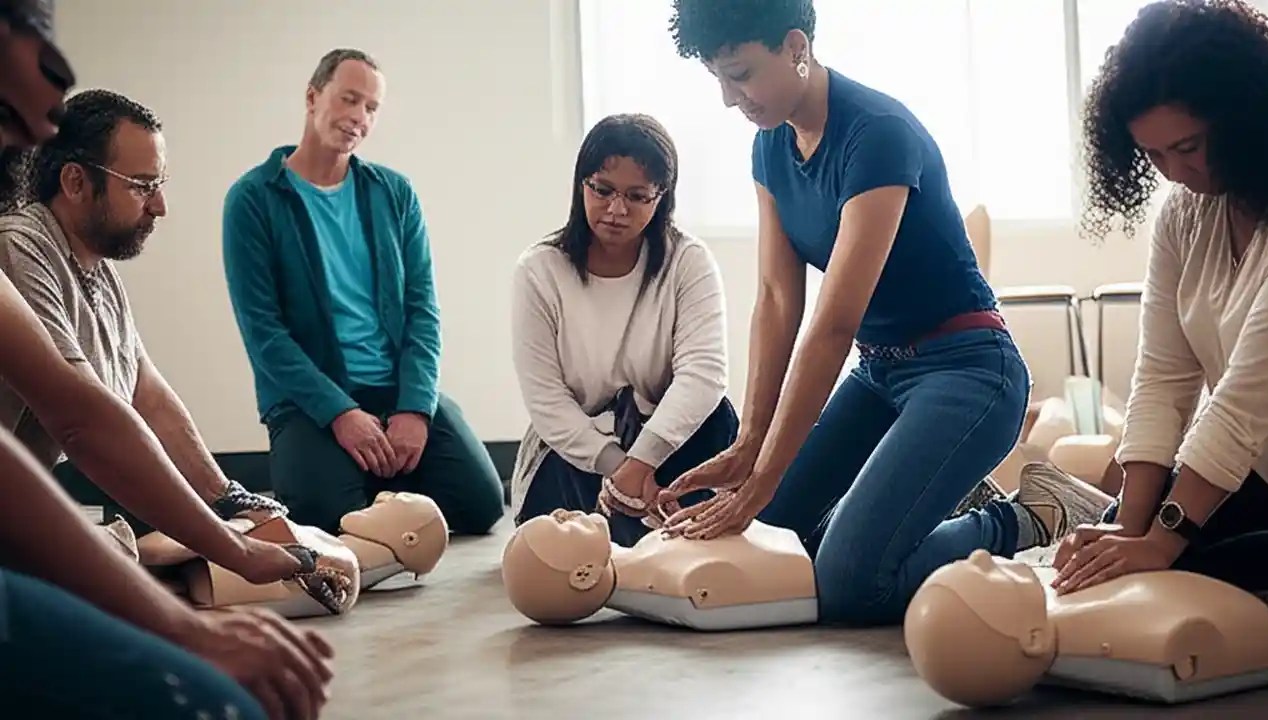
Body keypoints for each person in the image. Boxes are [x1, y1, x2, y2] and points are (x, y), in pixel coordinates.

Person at [656, 0, 1107, 626]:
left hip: (969, 371)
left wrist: (762, 477)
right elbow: (777, 299)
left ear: (794, 46)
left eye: (741, 74)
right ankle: (931, 502)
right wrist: (749, 445)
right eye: (718, 79)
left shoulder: (877, 132)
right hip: (880, 376)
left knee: (847, 583)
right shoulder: (769, 148)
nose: (732, 99)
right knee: (773, 540)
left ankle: (1026, 515)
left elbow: (835, 322)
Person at [0, 3, 332, 718]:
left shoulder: (96, 270)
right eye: (143, 186)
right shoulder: (18, 244)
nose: (160, 207)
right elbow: (86, 419)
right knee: (212, 700)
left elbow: (146, 395)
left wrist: (231, 501)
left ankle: (133, 548)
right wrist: (232, 556)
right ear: (77, 182)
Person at [223, 48, 505, 536]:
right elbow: (264, 333)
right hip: (308, 402)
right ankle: (360, 479)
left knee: (481, 505)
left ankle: (375, 477)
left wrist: (415, 408)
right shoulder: (253, 199)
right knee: (328, 521)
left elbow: (423, 311)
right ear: (313, 98)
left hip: (396, 389)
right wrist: (340, 413)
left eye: (371, 108)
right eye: (348, 99)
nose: (358, 117)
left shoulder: (394, 194)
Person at [1052, 0, 1268, 597]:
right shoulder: (1183, 214)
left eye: (1189, 146)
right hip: (1255, 474)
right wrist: (1128, 530)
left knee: (1182, 563)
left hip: (1252, 457)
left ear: (1241, 116)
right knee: (1112, 547)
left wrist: (1161, 540)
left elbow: (1242, 401)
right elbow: (1161, 378)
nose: (1176, 172)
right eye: (1153, 156)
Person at [510, 113, 739, 547]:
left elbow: (704, 375)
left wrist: (642, 462)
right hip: (579, 449)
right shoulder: (540, 269)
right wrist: (620, 468)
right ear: (582, 185)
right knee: (585, 553)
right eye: (603, 190)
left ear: (661, 198)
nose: (616, 210)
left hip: (667, 443)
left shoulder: (687, 261)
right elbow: (547, 401)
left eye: (637, 196)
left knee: (715, 418)